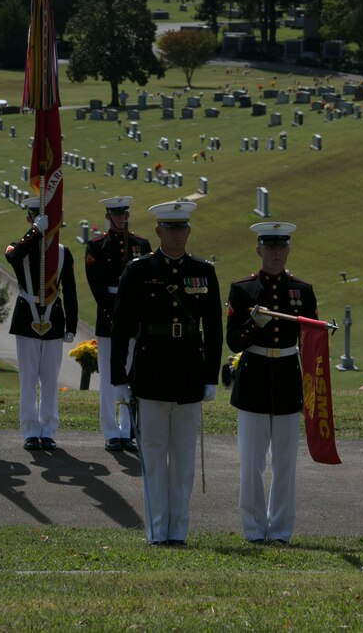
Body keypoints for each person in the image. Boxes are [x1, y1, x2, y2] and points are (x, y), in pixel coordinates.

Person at [110, 201, 222, 546]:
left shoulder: (203, 271)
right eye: (170, 229)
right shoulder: (138, 271)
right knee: (154, 457)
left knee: (184, 460)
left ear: (188, 231)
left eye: (182, 228)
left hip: (189, 372)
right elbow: (121, 327)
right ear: (158, 231)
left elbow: (213, 329)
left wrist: (210, 376)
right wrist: (118, 378)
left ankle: (179, 531)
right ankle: (158, 531)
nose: (176, 235)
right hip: (151, 371)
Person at [225, 222, 317, 544]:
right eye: (270, 247)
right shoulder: (243, 289)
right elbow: (233, 341)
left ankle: (279, 531)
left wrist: (311, 390)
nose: (277, 253)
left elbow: (311, 344)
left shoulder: (303, 290)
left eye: (282, 247)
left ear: (288, 250)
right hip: (254, 379)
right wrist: (253, 323)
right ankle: (253, 529)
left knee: (285, 465)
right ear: (259, 250)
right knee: (251, 464)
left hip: (288, 380)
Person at [5, 197, 78, 451]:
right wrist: (36, 231)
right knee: (28, 380)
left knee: (49, 380)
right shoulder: (19, 246)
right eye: (35, 217)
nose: (40, 221)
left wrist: (72, 326)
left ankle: (48, 429)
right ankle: (30, 430)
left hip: (54, 318)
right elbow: (14, 257)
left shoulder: (62, 252)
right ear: (29, 218)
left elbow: (70, 290)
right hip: (27, 317)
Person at [84, 196, 151, 452]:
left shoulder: (141, 244)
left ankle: (127, 430)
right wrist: (114, 317)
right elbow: (97, 287)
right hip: (109, 317)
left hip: (134, 316)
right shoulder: (97, 245)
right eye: (116, 214)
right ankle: (111, 431)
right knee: (108, 378)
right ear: (108, 216)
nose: (121, 218)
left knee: (132, 376)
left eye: (124, 214)